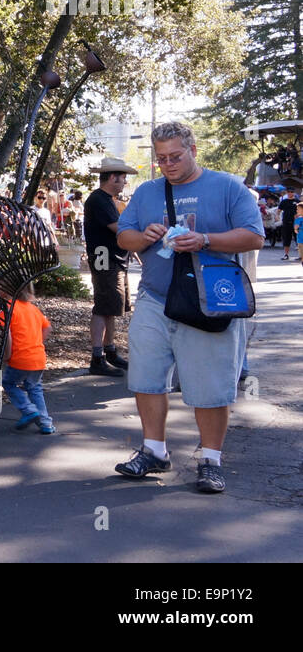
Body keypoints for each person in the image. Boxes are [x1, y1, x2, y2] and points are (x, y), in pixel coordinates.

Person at [113, 122, 263, 494]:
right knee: (146, 379)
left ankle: (211, 460)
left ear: (193, 149)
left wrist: (206, 240)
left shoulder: (227, 186)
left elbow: (254, 236)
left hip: (209, 303)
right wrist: (142, 237)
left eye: (175, 157)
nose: (168, 164)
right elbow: (123, 235)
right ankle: (153, 451)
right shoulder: (148, 192)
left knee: (210, 386)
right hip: (155, 298)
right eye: (161, 159)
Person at [84, 157, 137, 376]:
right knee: (103, 306)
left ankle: (110, 350)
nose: (124, 182)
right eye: (123, 178)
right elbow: (118, 228)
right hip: (105, 259)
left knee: (112, 308)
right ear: (113, 177)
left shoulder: (107, 199)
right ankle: (97, 356)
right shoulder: (98, 200)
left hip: (114, 259)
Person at [3, 283, 54, 434]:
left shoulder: (8, 308)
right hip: (38, 357)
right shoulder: (33, 308)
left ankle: (28, 410)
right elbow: (47, 328)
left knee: (8, 383)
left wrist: (7, 355)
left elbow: (7, 335)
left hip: (20, 358)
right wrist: (36, 342)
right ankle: (46, 423)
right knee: (35, 388)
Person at [280, 190, 298, 260]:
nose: (290, 193)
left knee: (298, 239)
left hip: (296, 223)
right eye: (289, 192)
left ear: (294, 193)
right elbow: (279, 210)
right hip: (286, 222)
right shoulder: (284, 201)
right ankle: (286, 254)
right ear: (287, 193)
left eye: (292, 192)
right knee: (286, 239)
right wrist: (277, 216)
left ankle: (300, 255)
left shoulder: (297, 201)